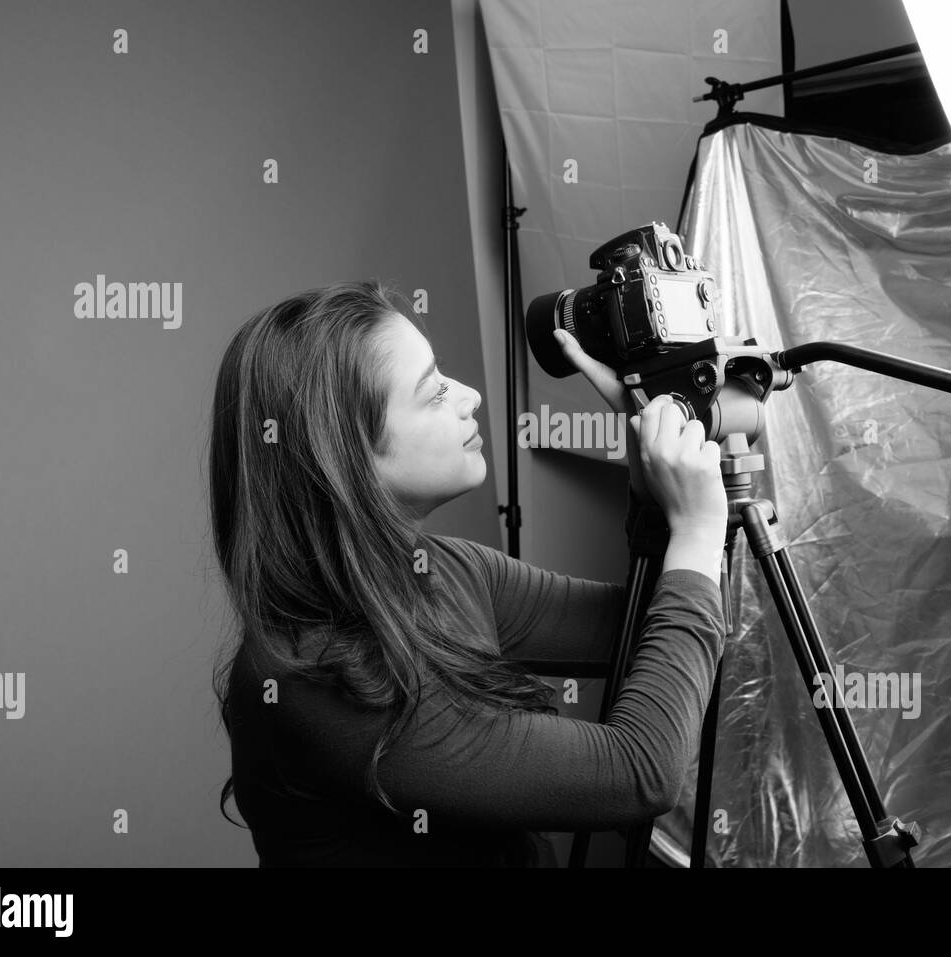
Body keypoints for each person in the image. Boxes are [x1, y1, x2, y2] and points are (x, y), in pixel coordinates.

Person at [209, 279, 729, 866]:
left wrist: (659, 480)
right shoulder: (315, 675)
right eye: (432, 394)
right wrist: (698, 532)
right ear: (344, 454)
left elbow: (657, 625)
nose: (470, 396)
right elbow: (639, 772)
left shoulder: (442, 571)